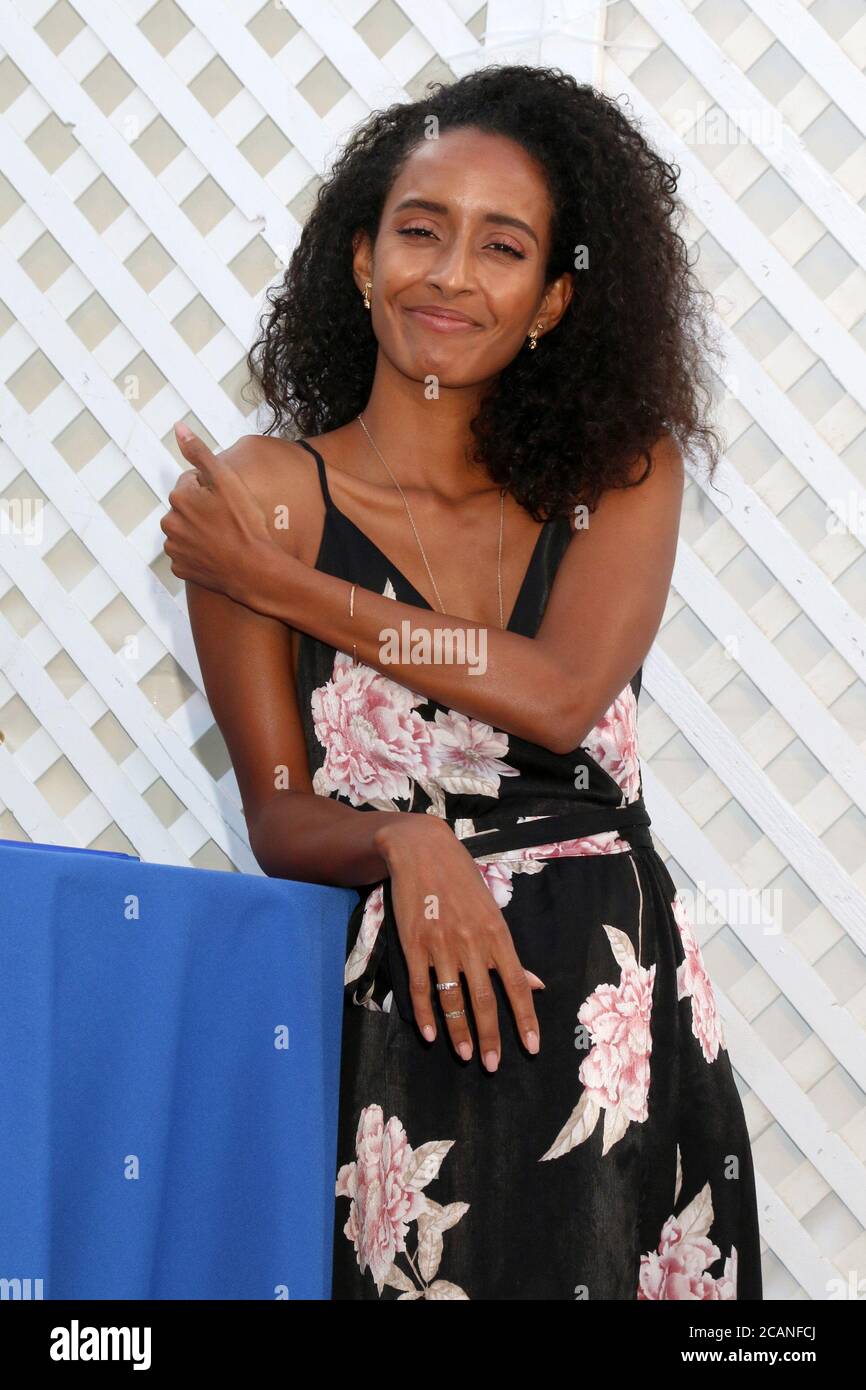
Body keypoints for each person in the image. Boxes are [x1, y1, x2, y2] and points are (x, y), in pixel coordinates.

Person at [160, 64, 763, 1300]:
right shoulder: (265, 501)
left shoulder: (619, 474)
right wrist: (400, 842)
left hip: (618, 1018)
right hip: (423, 1020)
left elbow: (552, 697)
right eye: (418, 230)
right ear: (359, 260)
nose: (447, 275)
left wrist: (292, 590)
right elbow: (279, 812)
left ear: (548, 300)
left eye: (501, 247)